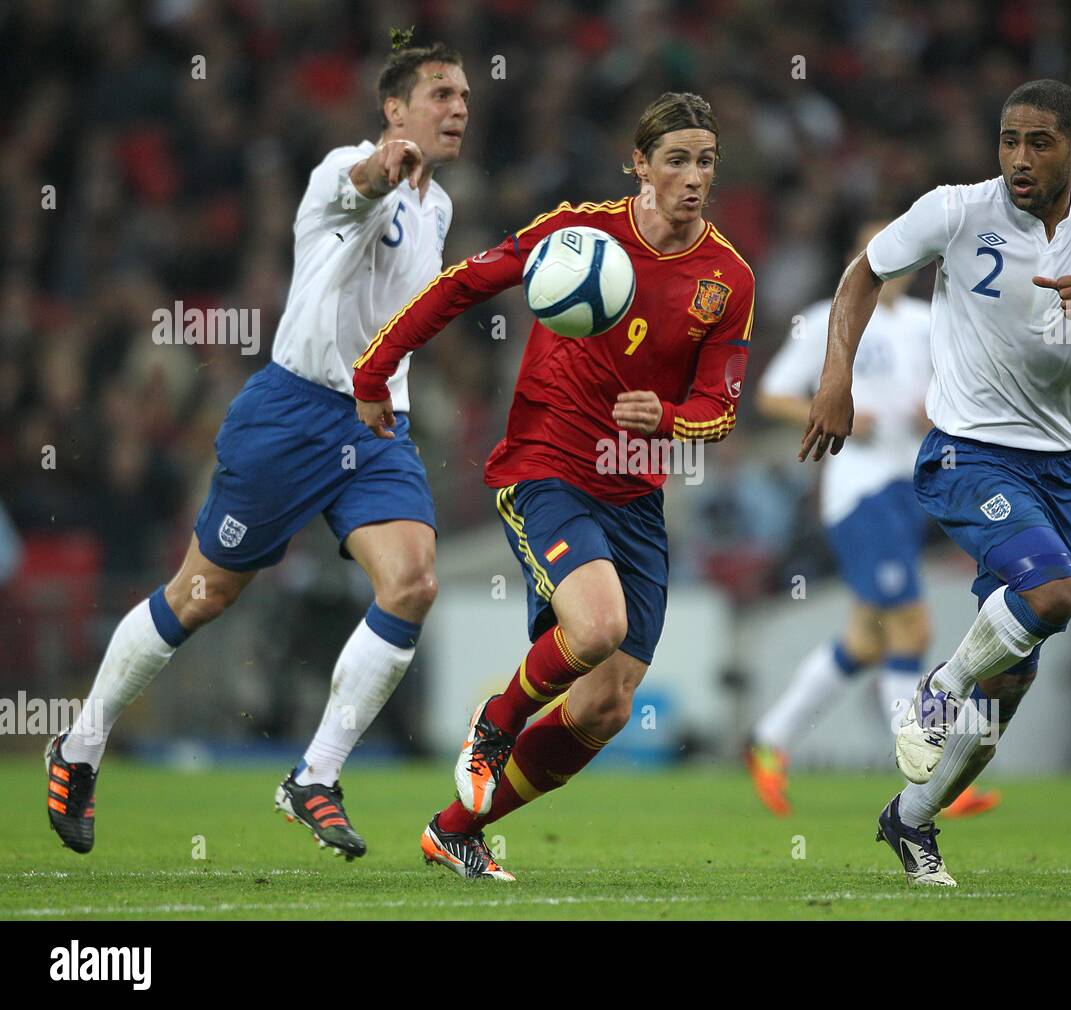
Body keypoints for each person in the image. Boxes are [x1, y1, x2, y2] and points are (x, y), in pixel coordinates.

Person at [44, 40, 470, 859]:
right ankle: (81, 745)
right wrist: (385, 166)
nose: (458, 107)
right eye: (440, 93)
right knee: (201, 594)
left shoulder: (442, 209)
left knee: (413, 582)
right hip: (292, 414)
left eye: (462, 96)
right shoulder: (345, 166)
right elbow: (358, 189)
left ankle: (314, 775)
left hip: (375, 422)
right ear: (394, 109)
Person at [353, 92, 755, 880]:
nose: (693, 177)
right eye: (675, 159)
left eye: (705, 161)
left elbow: (721, 408)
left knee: (606, 705)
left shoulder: (727, 278)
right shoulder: (577, 235)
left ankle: (455, 828)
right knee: (597, 626)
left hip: (635, 497)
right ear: (638, 164)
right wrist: (376, 366)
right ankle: (494, 724)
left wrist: (669, 418)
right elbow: (465, 283)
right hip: (545, 469)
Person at [802, 79, 1071, 885]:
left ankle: (910, 819)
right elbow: (864, 272)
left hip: (1064, 464)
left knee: (1014, 679)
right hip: (969, 451)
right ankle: (939, 686)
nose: (1018, 159)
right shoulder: (956, 210)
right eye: (1008, 140)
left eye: (1039, 142)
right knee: (1058, 594)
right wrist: (836, 379)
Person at [747, 220, 999, 819]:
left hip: (908, 491)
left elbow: (957, 394)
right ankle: (927, 775)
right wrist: (831, 409)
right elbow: (771, 394)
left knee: (865, 639)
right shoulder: (827, 317)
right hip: (857, 494)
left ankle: (769, 741)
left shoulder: (927, 323)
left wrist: (933, 412)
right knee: (911, 630)